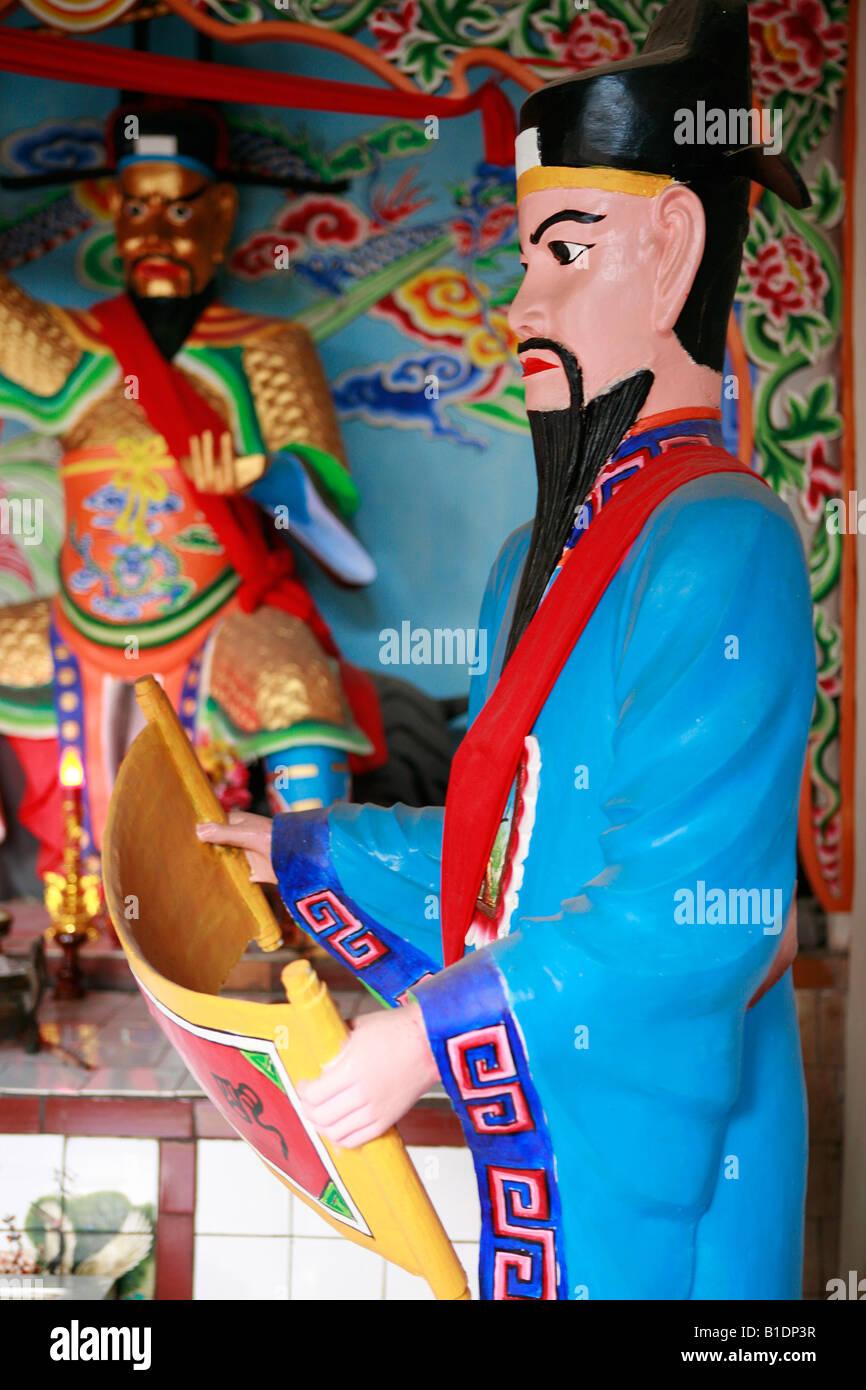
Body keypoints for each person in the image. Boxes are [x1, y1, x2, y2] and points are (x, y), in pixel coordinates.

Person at [197, 0, 816, 1300]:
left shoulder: (724, 547)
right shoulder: (521, 566)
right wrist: (311, 848)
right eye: (522, 260)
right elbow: (511, 859)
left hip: (673, 1157)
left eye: (563, 252)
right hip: (550, 1110)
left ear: (669, 251)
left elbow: (695, 919)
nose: (521, 303)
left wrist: (430, 1030)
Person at [0, 99, 381, 872]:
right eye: (137, 208)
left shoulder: (270, 348)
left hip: (219, 618)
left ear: (222, 213)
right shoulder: (74, 348)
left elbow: (338, 531)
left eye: (181, 209)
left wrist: (261, 477)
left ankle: (309, 902)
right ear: (111, 212)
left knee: (296, 691)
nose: (157, 234)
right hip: (78, 620)